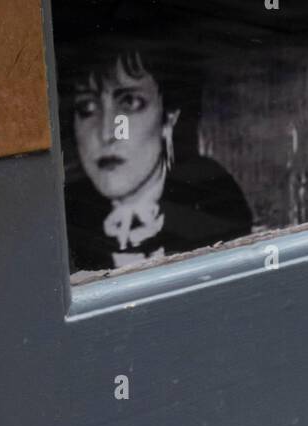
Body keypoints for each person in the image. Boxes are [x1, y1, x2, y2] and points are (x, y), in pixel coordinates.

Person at [58, 27, 252, 273]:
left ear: (169, 116)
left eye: (129, 102)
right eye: (87, 107)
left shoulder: (210, 197)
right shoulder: (68, 213)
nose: (107, 133)